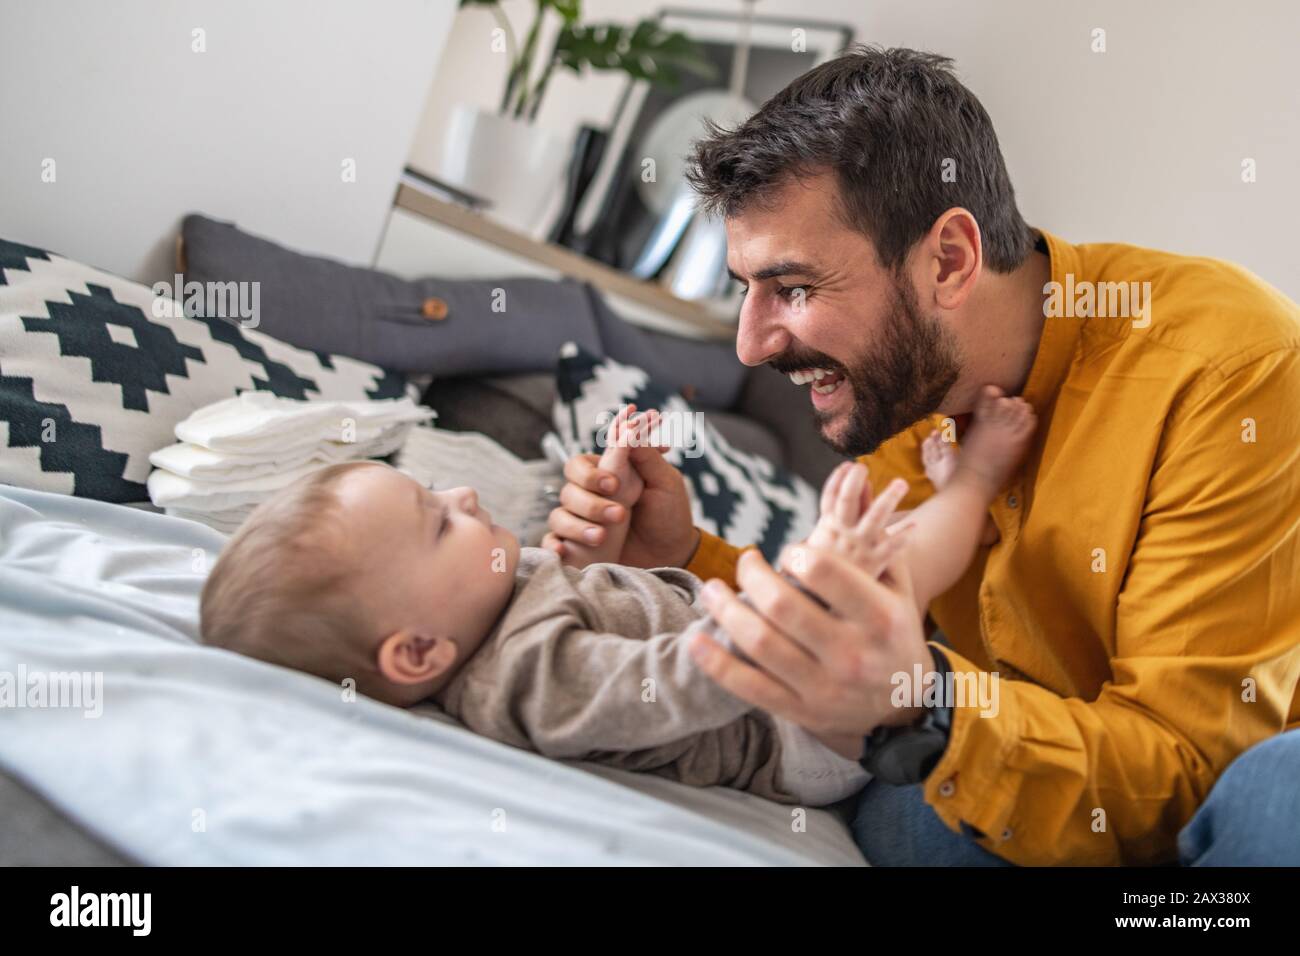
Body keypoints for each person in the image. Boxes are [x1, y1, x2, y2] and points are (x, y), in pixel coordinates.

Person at [542, 45, 1300, 865]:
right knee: (908, 800)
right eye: (746, 288)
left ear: (949, 260)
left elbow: (1193, 781)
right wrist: (684, 555)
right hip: (966, 778)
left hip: (1192, 821)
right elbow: (843, 623)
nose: (751, 345)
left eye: (792, 288)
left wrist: (924, 712)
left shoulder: (1231, 373)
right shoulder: (905, 390)